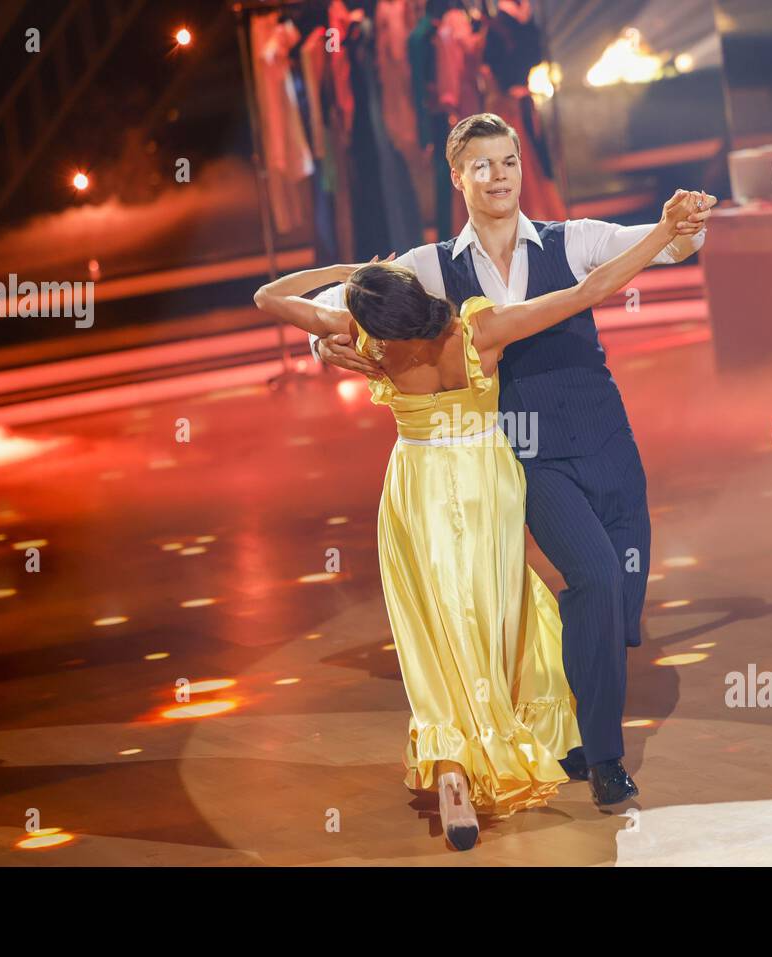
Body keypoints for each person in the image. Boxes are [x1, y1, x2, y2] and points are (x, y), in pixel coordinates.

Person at [253, 190, 702, 849]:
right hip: (487, 489)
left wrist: (341, 274)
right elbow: (590, 291)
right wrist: (661, 232)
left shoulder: (367, 341)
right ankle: (542, 745)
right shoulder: (477, 333)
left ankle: (456, 776)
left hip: (417, 494)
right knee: (500, 618)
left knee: (439, 633)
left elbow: (268, 297)